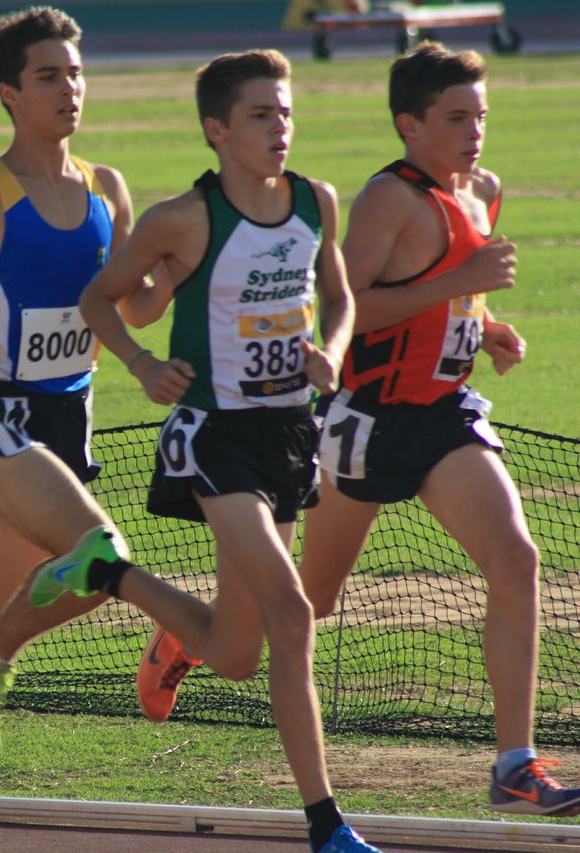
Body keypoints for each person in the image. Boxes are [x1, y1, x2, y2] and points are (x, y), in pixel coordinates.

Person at [40, 50, 382, 853]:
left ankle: (110, 575)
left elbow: (339, 296)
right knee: (293, 611)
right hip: (211, 435)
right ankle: (326, 823)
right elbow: (98, 298)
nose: (280, 128)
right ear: (218, 130)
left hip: (288, 432)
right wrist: (143, 363)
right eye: (262, 115)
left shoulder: (315, 202)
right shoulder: (181, 219)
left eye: (287, 113)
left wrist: (330, 345)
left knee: (235, 652)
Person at [0, 7, 191, 847]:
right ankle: (153, 632)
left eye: (76, 73)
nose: (69, 88)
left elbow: (130, 303)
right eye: (49, 76)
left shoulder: (106, 188)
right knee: (98, 555)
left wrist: (177, 274)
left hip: (68, 417)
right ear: (10, 93)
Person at [297, 43, 580, 817]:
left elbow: (453, 297)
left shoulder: (484, 189)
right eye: (457, 118)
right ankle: (194, 638)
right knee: (309, 602)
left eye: (480, 116)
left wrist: (486, 328)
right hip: (371, 419)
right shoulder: (388, 199)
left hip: (446, 415)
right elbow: (344, 309)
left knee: (517, 558)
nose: (475, 132)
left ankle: (513, 765)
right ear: (409, 125)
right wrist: (463, 286)